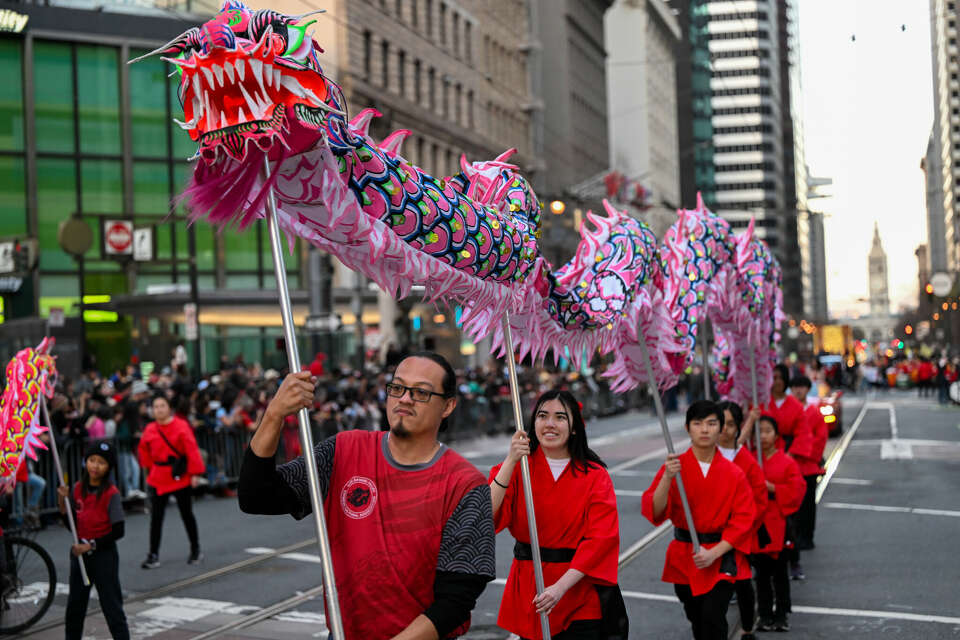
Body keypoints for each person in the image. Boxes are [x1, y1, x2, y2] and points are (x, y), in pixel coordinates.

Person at [238, 352, 496, 639]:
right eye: (397, 387)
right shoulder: (343, 450)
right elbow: (256, 496)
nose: (405, 399)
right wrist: (274, 413)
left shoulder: (466, 485)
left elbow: (456, 601)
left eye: (421, 392)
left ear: (448, 406)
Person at [489, 390, 626, 640]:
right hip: (531, 586)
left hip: (578, 589)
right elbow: (485, 516)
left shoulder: (595, 475)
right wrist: (510, 461)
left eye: (560, 417)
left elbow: (601, 540)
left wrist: (561, 587)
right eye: (542, 416)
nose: (550, 423)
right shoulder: (517, 468)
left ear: (574, 427)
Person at [641, 400, 755, 640]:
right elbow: (656, 510)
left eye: (711, 423)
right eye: (698, 423)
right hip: (686, 557)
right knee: (697, 618)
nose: (704, 429)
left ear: (720, 428)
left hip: (720, 557)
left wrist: (714, 553)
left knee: (714, 618)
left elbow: (743, 520)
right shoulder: (675, 467)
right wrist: (667, 478)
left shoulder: (734, 473)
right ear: (687, 428)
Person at [58, 441, 130, 640]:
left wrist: (91, 545)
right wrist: (62, 502)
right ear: (85, 462)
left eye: (101, 462)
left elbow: (119, 531)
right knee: (75, 608)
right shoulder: (77, 488)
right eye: (91, 460)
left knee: (112, 607)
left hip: (103, 556)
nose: (95, 466)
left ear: (109, 467)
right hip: (80, 556)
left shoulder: (111, 493)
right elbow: (72, 525)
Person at [716, 401, 768, 640]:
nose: (724, 430)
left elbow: (760, 499)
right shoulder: (705, 455)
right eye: (720, 423)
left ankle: (747, 628)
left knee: (743, 582)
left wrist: (742, 527)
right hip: (711, 535)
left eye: (730, 424)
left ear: (737, 427)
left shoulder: (745, 459)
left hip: (740, 535)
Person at [138, 394, 205, 569]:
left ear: (169, 408)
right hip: (158, 477)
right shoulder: (150, 428)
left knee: (187, 514)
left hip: (179, 476)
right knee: (156, 518)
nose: (159, 409)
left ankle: (195, 549)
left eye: (162, 405)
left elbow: (191, 449)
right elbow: (143, 449)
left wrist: (195, 474)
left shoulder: (181, 425)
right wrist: (149, 468)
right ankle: (153, 554)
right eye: (156, 406)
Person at [752, 415, 806, 632]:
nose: (763, 436)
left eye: (768, 431)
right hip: (758, 523)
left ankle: (782, 614)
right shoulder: (751, 459)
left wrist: (772, 488)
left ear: (776, 435)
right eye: (759, 431)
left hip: (780, 522)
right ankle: (764, 614)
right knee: (761, 574)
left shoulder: (787, 461)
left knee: (780, 573)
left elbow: (797, 489)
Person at [787, 376, 828, 558]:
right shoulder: (789, 410)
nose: (798, 390)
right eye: (795, 387)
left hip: (808, 466)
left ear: (807, 389)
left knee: (808, 505)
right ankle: (794, 537)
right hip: (791, 465)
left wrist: (804, 452)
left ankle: (807, 536)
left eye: (802, 387)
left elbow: (821, 437)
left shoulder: (814, 412)